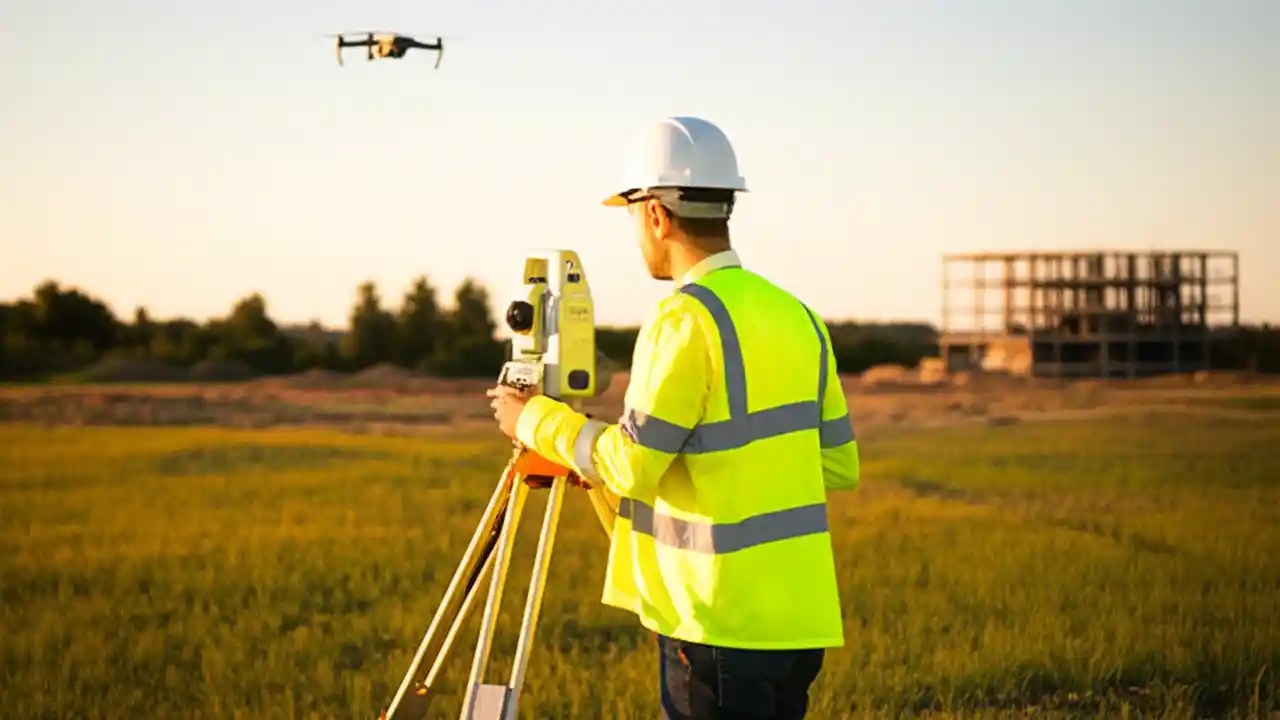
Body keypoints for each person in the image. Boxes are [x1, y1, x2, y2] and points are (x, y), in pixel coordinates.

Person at [487, 115, 860, 719]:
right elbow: (838, 466)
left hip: (715, 622)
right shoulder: (799, 315)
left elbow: (633, 466)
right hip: (798, 620)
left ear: (656, 213)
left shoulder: (684, 319)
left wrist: (533, 421)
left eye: (633, 216)